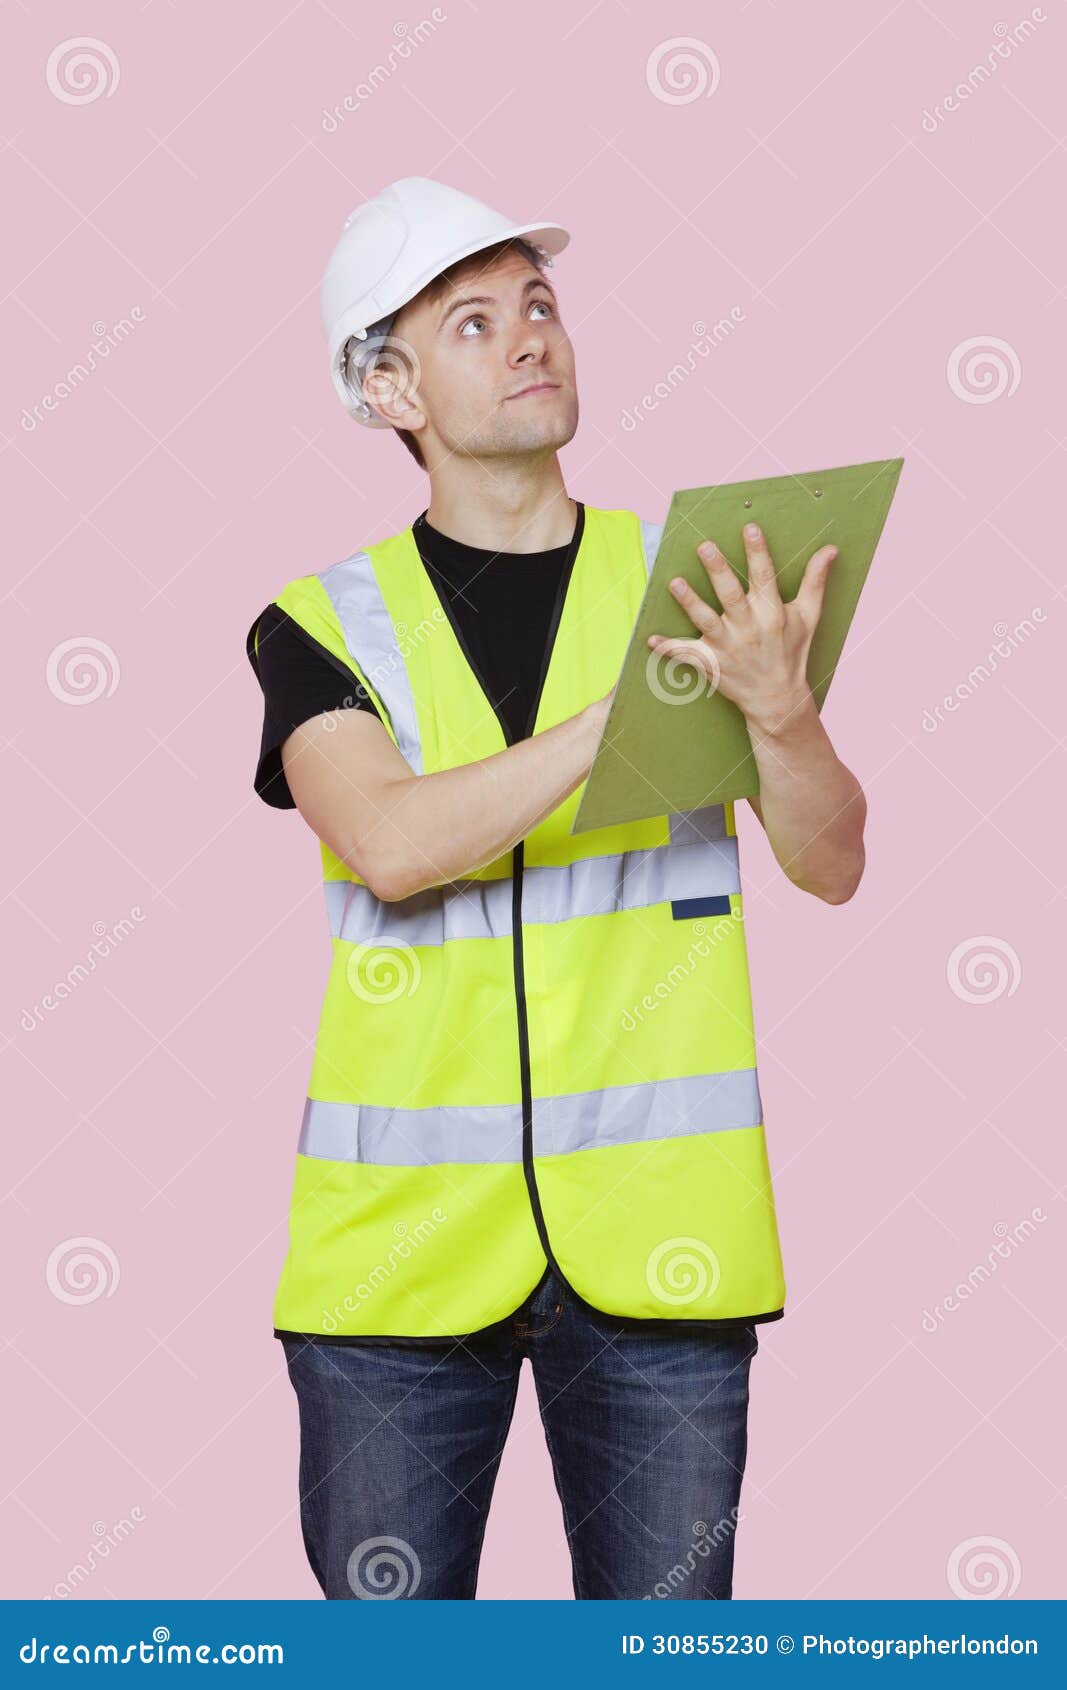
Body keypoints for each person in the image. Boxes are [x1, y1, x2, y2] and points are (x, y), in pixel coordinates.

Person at [246, 176, 867, 1602]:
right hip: (393, 1274)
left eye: (540, 304)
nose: (529, 335)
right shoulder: (322, 623)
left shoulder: (692, 584)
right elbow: (390, 843)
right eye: (472, 322)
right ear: (389, 389)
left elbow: (832, 862)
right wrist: (624, 715)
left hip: (664, 1245)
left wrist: (778, 715)